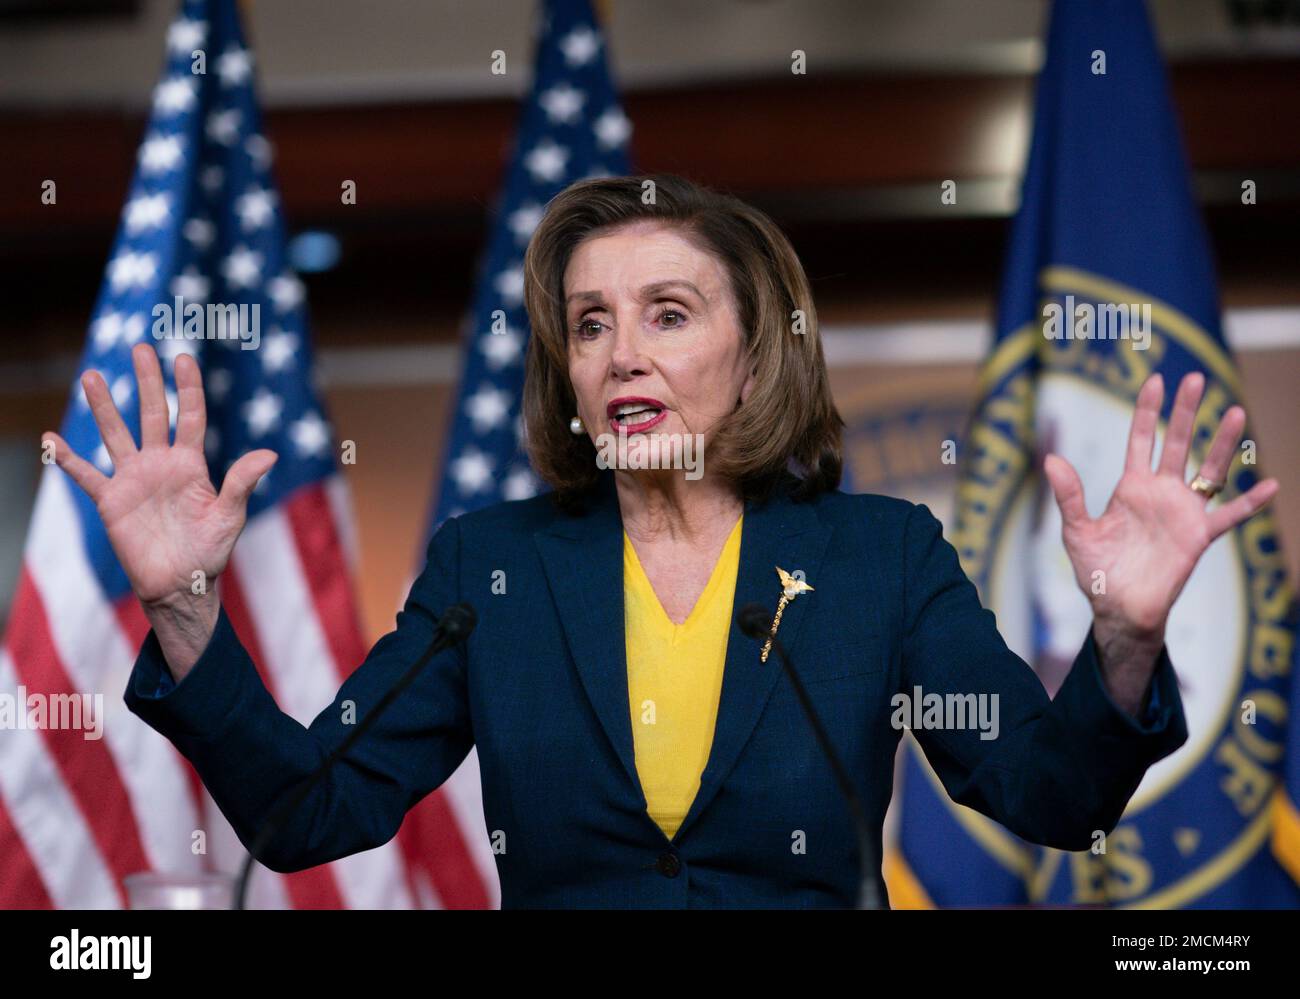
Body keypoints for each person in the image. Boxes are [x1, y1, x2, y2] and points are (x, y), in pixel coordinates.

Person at [44, 174, 1275, 908]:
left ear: (757, 355)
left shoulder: (879, 559)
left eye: (666, 315)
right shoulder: (496, 569)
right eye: (588, 325)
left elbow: (1049, 795)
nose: (618, 352)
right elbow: (309, 809)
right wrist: (188, 611)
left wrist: (1122, 643)